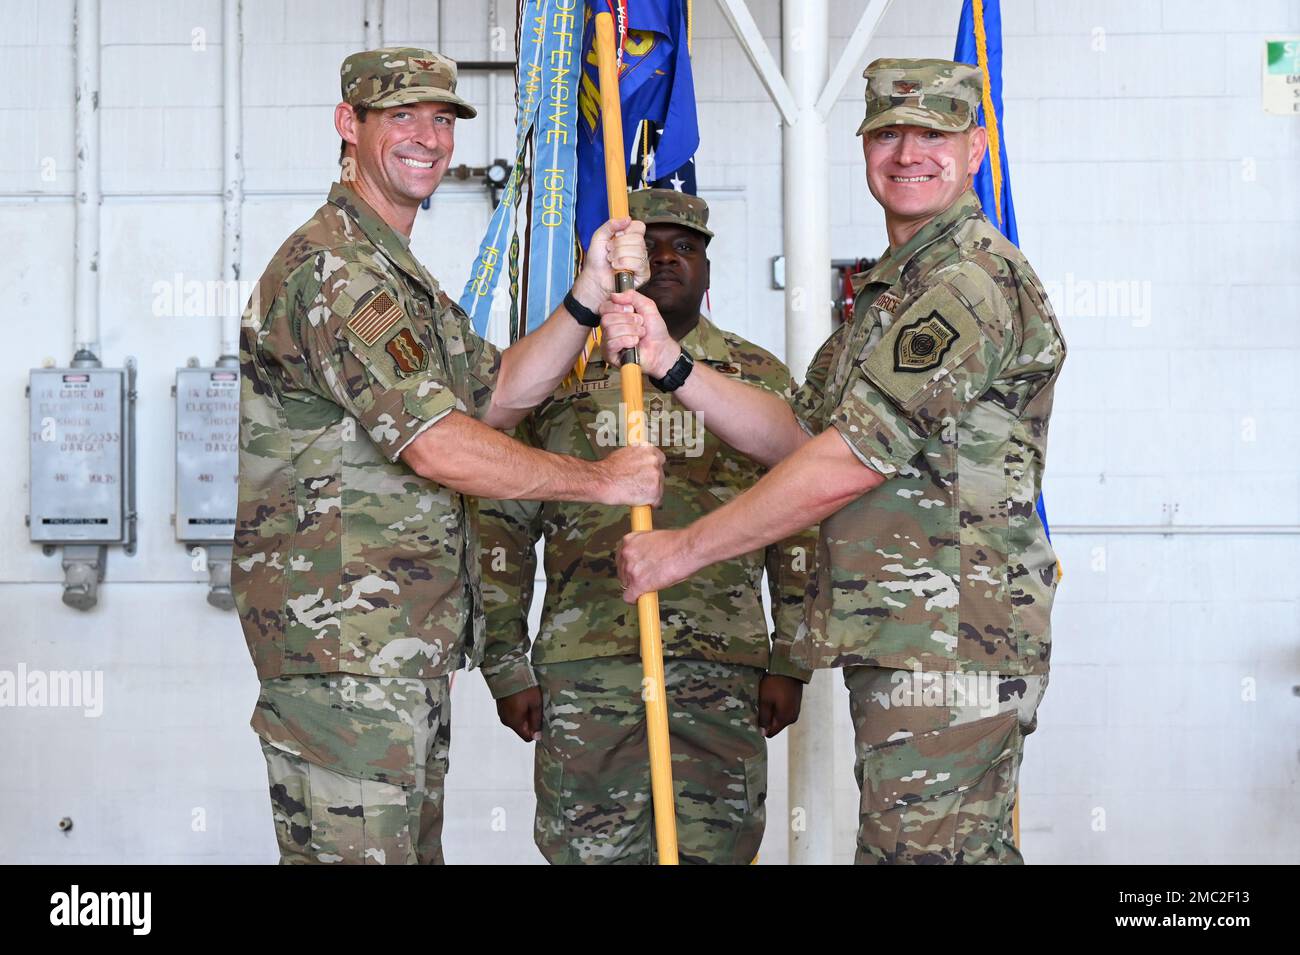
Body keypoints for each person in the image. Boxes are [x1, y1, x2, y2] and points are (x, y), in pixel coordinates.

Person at [601, 59, 1067, 864]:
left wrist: (681, 549)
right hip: (907, 637)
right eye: (888, 132)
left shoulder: (966, 282)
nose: (908, 151)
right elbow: (799, 435)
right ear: (864, 148)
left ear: (977, 148)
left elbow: (850, 460)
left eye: (934, 133)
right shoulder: (893, 289)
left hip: (950, 643)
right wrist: (669, 359)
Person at [232, 48, 662, 865]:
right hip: (346, 658)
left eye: (441, 118)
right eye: (401, 116)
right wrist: (601, 481)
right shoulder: (337, 270)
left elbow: (496, 391)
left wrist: (587, 291)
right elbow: (436, 444)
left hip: (396, 655)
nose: (427, 137)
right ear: (347, 127)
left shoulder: (399, 278)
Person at [479, 189, 816, 864]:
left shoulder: (758, 378)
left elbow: (799, 517)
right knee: (589, 851)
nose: (666, 258)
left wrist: (792, 657)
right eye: (650, 245)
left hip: (720, 667)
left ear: (709, 269)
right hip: (589, 667)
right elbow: (503, 516)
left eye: (685, 247)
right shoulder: (563, 372)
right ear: (618, 258)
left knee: (716, 850)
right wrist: (505, 661)